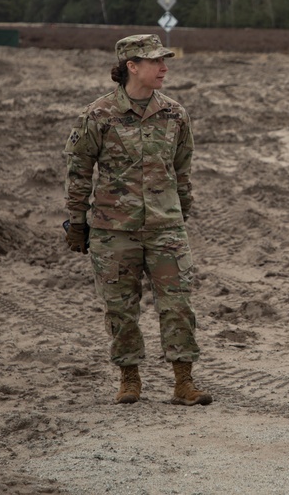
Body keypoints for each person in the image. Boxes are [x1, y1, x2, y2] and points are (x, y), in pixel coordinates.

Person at [63, 34, 212, 406]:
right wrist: (77, 222)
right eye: (155, 61)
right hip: (113, 231)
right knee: (120, 308)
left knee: (178, 305)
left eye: (165, 61)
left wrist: (181, 213)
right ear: (131, 66)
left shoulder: (175, 113)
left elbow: (182, 169)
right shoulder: (98, 114)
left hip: (166, 228)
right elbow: (79, 171)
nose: (164, 68)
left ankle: (184, 383)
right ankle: (129, 379)